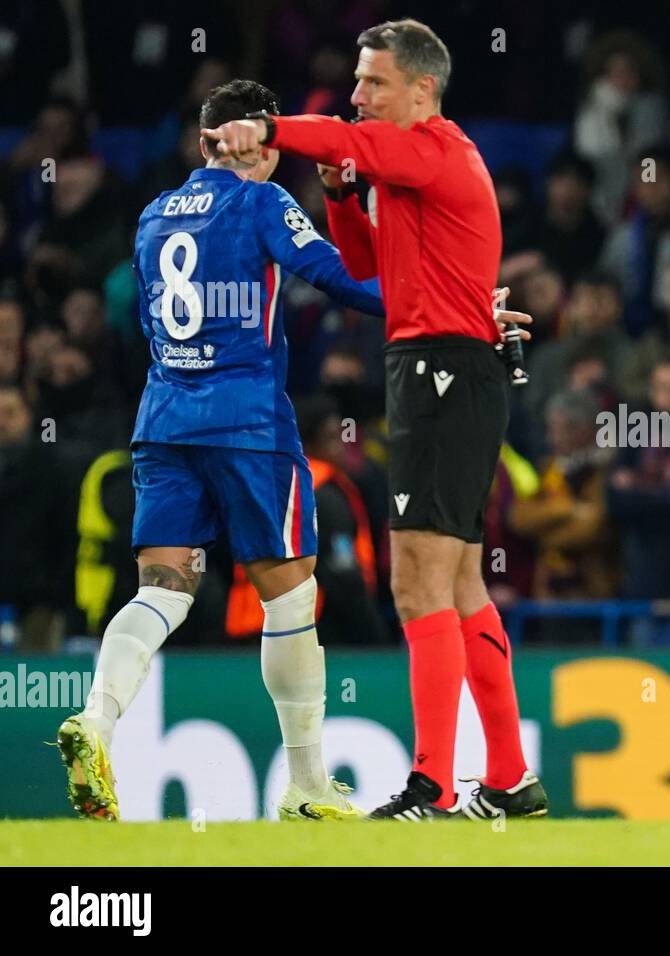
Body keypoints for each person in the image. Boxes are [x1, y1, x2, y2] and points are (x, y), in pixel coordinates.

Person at [203, 18, 547, 821]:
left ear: (422, 90)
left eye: (374, 83)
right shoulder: (411, 171)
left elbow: (330, 135)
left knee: (416, 580)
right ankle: (507, 777)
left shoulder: (432, 148)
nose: (358, 97)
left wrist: (272, 129)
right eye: (357, 82)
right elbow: (362, 265)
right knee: (459, 584)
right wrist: (341, 198)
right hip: (443, 371)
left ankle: (431, 782)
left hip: (441, 372)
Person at [56, 79, 385, 821]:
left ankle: (97, 722)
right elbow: (345, 281)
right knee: (291, 594)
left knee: (163, 588)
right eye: (266, 143)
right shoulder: (261, 202)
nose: (273, 158)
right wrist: (452, 311)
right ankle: (305, 784)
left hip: (164, 418)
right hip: (248, 427)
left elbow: (142, 326)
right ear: (237, 144)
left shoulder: (150, 217)